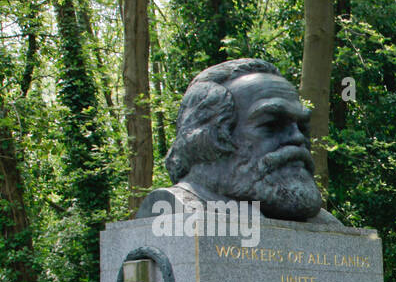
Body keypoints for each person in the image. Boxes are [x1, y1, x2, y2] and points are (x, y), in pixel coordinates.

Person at [135, 58, 340, 225]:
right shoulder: (173, 209)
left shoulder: (326, 224)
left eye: (301, 126)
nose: (297, 137)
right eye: (272, 125)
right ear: (210, 136)